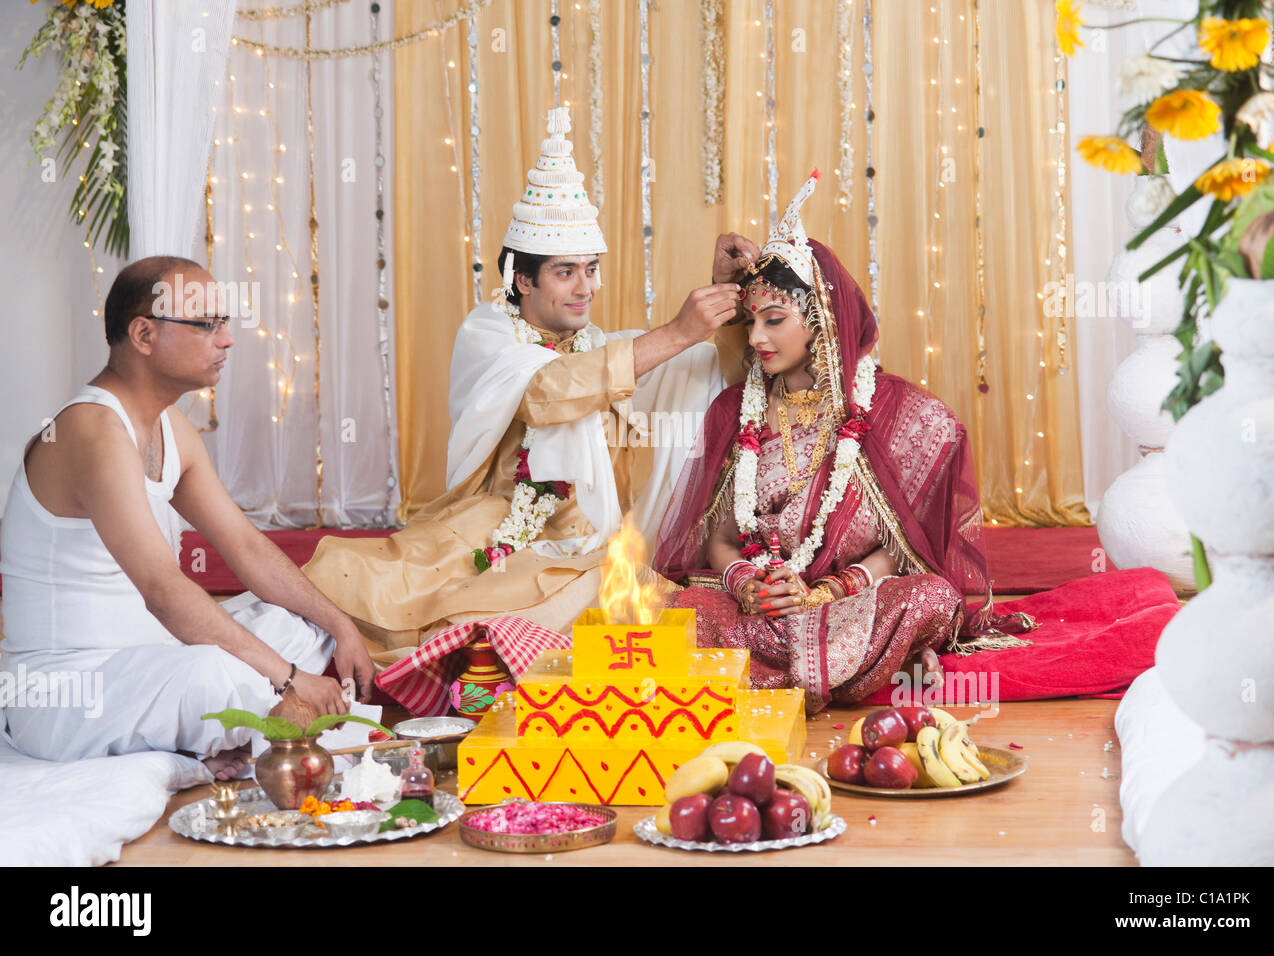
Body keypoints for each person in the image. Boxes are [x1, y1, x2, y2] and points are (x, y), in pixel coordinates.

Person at [302, 107, 732, 677]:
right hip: (499, 521)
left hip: (590, 538)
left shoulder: (597, 343)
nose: (586, 288)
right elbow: (547, 391)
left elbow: (678, 363)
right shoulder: (489, 332)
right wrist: (677, 332)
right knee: (382, 588)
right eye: (565, 272)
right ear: (522, 280)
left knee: (631, 601)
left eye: (591, 269)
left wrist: (725, 297)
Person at [653, 172, 1036, 714]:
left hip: (849, 602)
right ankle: (853, 669)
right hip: (755, 608)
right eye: (751, 321)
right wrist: (745, 585)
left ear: (820, 321)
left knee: (931, 597)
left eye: (774, 320)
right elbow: (718, 538)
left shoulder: (892, 411)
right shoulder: (735, 411)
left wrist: (828, 591)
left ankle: (769, 673)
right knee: (678, 610)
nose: (757, 337)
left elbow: (903, 547)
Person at [0, 256, 375, 779]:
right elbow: (163, 591)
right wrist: (289, 678)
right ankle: (265, 728)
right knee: (209, 670)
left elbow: (245, 547)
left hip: (153, 659)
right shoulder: (91, 430)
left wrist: (340, 626)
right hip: (67, 691)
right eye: (207, 325)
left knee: (298, 624)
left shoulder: (170, 427)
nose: (226, 340)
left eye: (225, 324)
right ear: (144, 334)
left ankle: (230, 732)